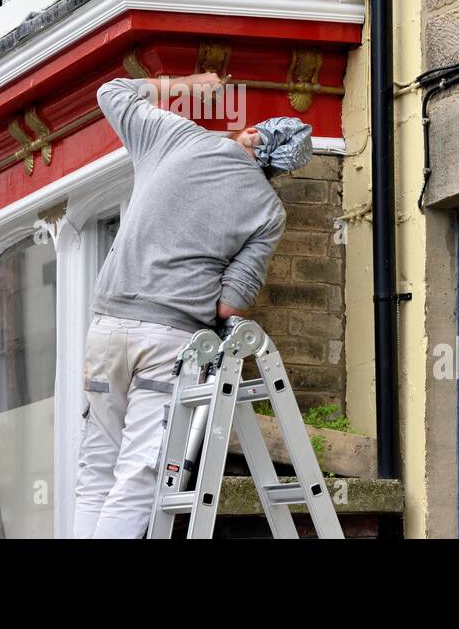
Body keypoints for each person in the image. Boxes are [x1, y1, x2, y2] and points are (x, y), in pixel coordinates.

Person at [72, 71, 314, 539]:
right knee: (141, 475)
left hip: (106, 328)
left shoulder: (175, 135)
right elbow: (229, 306)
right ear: (278, 169)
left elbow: (109, 92)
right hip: (169, 342)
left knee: (97, 463)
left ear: (250, 133)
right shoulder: (268, 210)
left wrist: (185, 83)